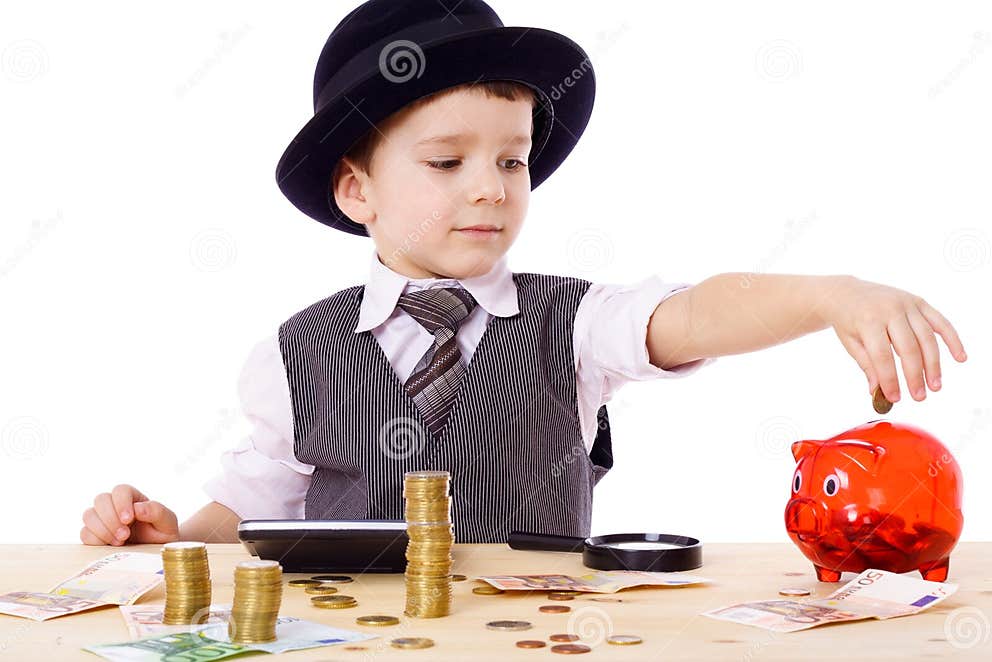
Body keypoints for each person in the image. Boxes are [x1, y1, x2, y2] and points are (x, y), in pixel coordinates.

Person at [80, 0, 966, 547]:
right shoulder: (295, 353)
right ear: (358, 192)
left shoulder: (574, 327)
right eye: (445, 163)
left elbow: (697, 315)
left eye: (511, 162)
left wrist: (830, 295)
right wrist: (169, 540)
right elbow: (253, 508)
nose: (492, 190)